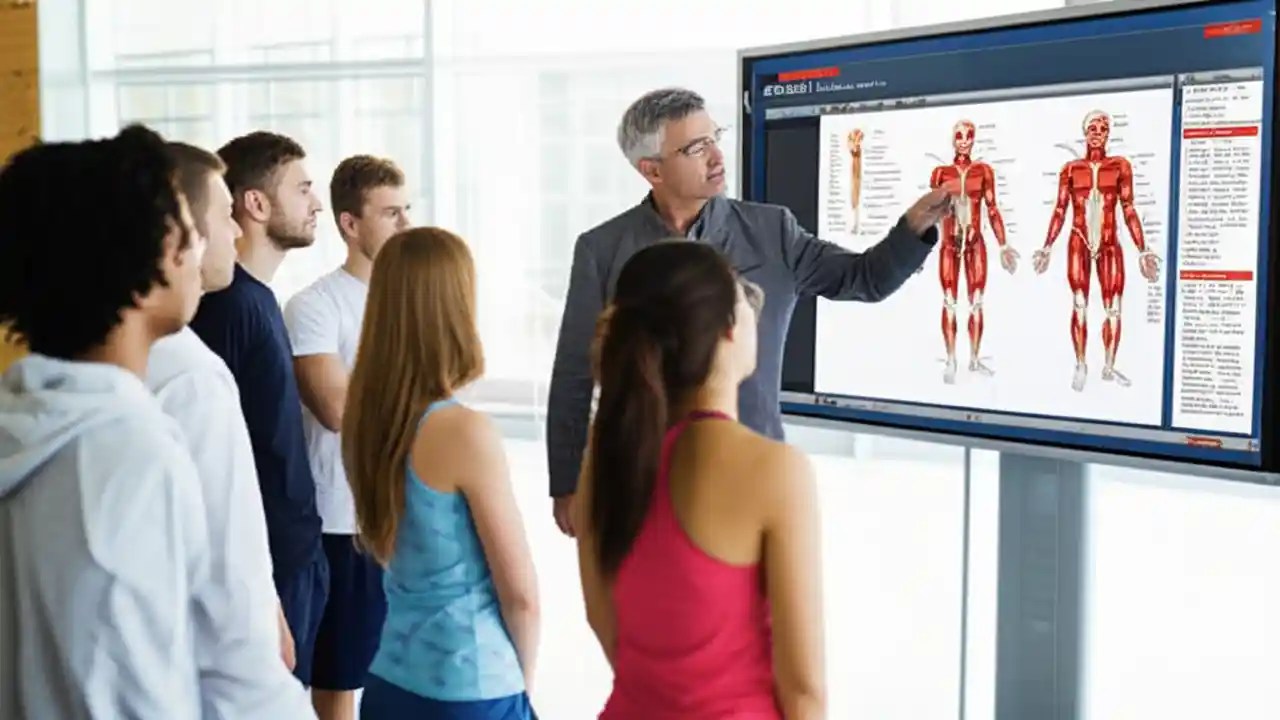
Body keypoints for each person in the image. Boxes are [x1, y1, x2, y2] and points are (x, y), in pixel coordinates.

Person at [0, 125, 311, 718]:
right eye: (183, 235)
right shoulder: (133, 450)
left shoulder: (21, 418)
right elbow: (222, 655)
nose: (201, 250)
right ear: (144, 264)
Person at [547, 87, 958, 534]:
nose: (716, 156)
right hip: (641, 482)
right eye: (695, 147)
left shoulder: (772, 230)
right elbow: (574, 371)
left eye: (714, 137)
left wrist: (915, 226)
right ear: (652, 170)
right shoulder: (602, 249)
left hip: (750, 476)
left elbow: (864, 279)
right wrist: (566, 482)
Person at [574, 241, 823, 719]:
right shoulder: (774, 470)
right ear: (728, 330)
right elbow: (805, 689)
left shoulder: (603, 456)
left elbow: (607, 628)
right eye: (744, 296)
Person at [344, 228, 540, 719]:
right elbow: (521, 596)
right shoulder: (463, 432)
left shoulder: (367, 420)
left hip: (389, 680)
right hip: (471, 685)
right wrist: (523, 689)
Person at [147, 141, 311, 692]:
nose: (236, 232)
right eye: (223, 217)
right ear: (180, 239)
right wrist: (263, 602)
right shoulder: (196, 372)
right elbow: (222, 533)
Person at [189, 130, 329, 687]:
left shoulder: (259, 299)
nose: (317, 202)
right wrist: (261, 584)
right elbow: (218, 455)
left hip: (293, 553)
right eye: (304, 188)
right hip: (265, 566)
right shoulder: (232, 306)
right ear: (255, 204)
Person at [285, 154, 410, 719]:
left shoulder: (410, 303)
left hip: (406, 513)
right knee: (339, 678)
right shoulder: (314, 305)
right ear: (350, 224)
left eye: (406, 210)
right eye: (390, 213)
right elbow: (337, 410)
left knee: (403, 670)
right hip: (344, 521)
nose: (405, 225)